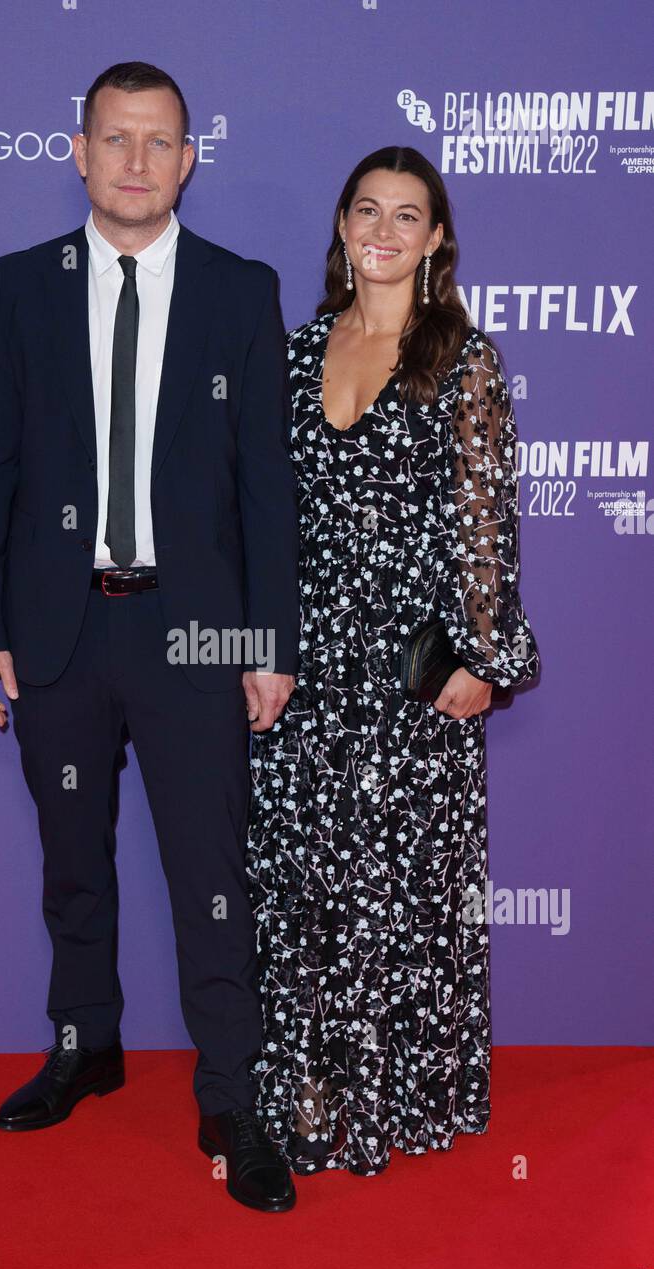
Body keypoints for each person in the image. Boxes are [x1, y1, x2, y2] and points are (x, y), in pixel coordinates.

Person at [0, 62, 300, 1213]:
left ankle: (232, 1094)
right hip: (55, 630)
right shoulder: (16, 288)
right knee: (72, 863)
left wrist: (267, 639)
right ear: (79, 151)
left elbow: (266, 490)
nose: (137, 162)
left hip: (196, 633)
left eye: (159, 142)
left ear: (188, 159)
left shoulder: (239, 290)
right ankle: (82, 1042)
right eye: (116, 139)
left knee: (210, 871)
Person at [245, 146, 540, 1177]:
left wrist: (484, 656)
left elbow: (483, 520)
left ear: (435, 239)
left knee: (394, 884)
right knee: (302, 882)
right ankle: (309, 1089)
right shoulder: (290, 353)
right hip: (301, 669)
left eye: (405, 215)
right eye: (364, 209)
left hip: (410, 672)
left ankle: (400, 1094)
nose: (381, 229)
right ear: (338, 226)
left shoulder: (462, 356)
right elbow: (255, 517)